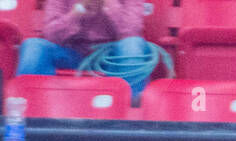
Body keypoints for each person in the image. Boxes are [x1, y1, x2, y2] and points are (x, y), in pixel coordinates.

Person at [17, 0, 154, 103]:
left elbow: (131, 32)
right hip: (72, 53)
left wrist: (109, 6)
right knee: (33, 46)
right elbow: (51, 35)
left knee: (133, 44)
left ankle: (132, 109)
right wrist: (77, 13)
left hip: (112, 57)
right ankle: (28, 108)